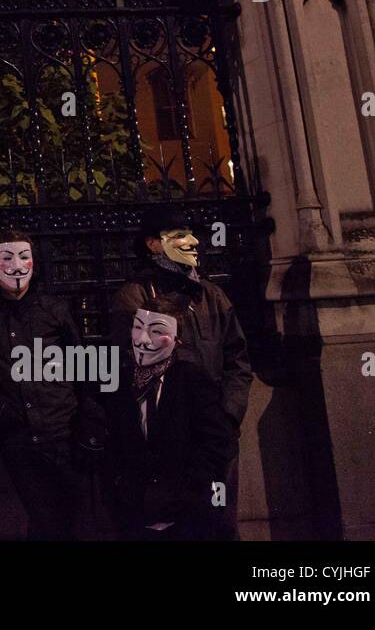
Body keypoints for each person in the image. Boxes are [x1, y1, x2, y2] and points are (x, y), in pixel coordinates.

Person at [110, 205, 251, 538]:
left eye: (191, 234)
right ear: (153, 245)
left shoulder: (212, 296)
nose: (191, 242)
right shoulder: (135, 297)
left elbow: (237, 361)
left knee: (219, 523)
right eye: (178, 236)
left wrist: (227, 418)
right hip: (170, 444)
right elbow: (132, 365)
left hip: (216, 440)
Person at [0, 230, 106, 539]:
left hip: (64, 434)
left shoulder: (54, 309)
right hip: (18, 440)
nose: (17, 265)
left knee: (72, 521)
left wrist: (88, 420)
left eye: (24, 257)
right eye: (7, 258)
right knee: (44, 517)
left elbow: (83, 365)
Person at [104, 295, 235, 539]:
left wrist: (187, 491)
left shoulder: (193, 382)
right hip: (137, 514)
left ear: (177, 341)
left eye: (156, 331)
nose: (143, 340)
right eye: (138, 328)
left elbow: (217, 443)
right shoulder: (121, 385)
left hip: (187, 514)